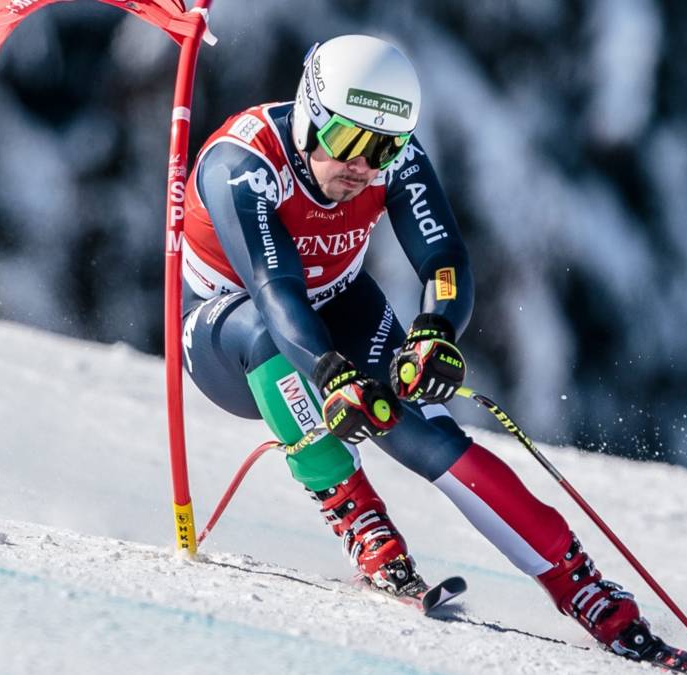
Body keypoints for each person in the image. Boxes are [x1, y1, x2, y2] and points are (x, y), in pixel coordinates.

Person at [180, 34, 660, 661]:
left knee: (425, 432)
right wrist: (331, 375)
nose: (360, 166)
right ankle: (360, 520)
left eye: (381, 149)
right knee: (274, 336)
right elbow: (276, 290)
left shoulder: (394, 161)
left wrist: (436, 329)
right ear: (309, 114)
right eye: (347, 142)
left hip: (339, 305)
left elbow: (444, 258)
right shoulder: (241, 165)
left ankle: (581, 585)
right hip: (230, 334)